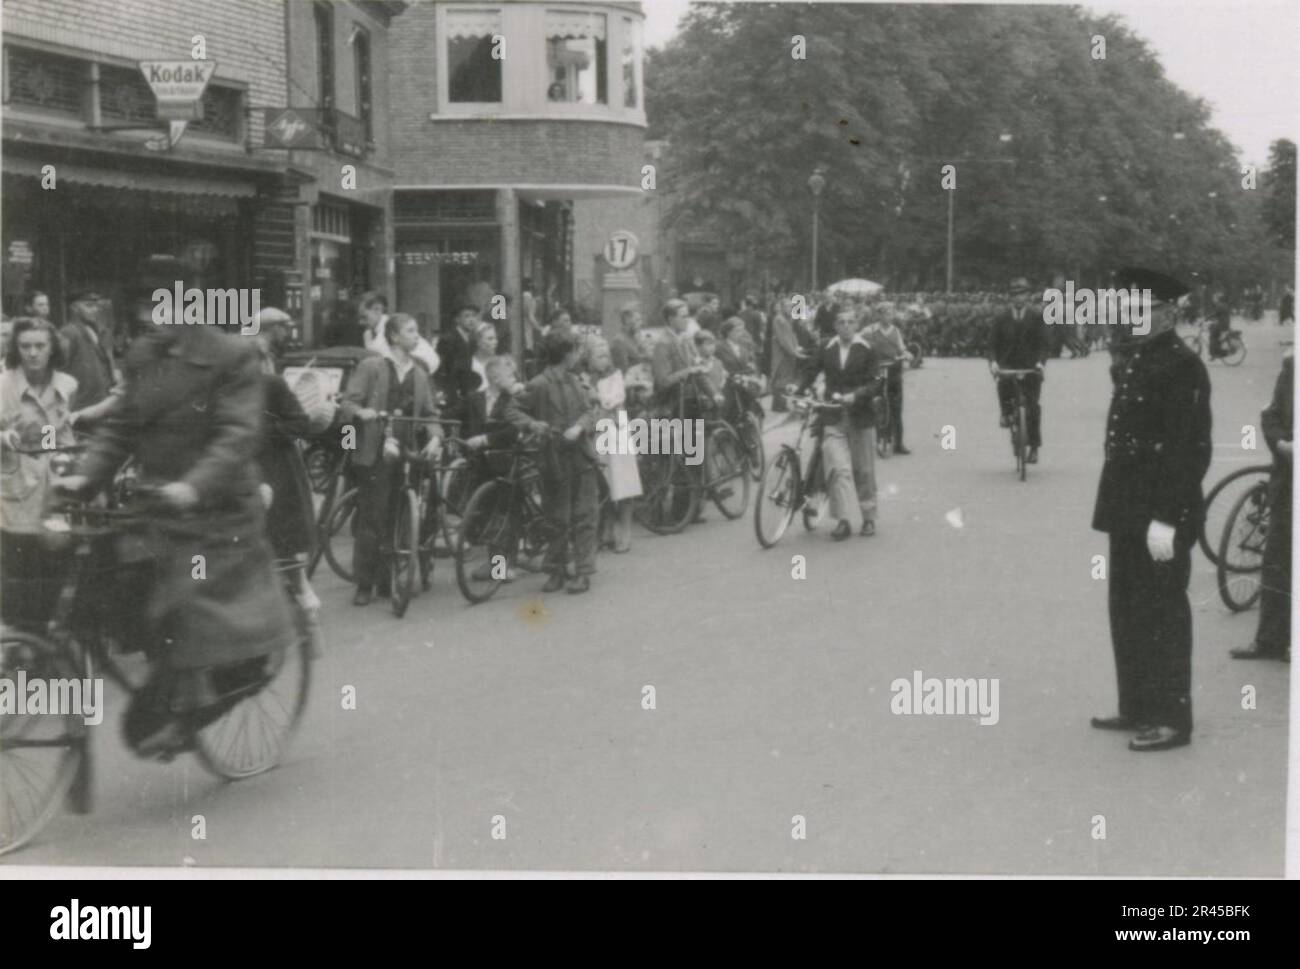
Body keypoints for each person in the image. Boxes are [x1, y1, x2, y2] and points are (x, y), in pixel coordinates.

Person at [57, 304, 297, 758]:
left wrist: (193, 486)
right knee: (124, 590)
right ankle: (166, 690)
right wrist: (85, 477)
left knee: (193, 605)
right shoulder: (146, 356)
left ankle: (200, 700)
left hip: (220, 510)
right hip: (160, 506)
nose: (153, 319)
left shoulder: (232, 356)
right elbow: (121, 428)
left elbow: (236, 436)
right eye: (148, 309)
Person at [1091, 268, 1212, 752]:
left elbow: (1189, 450)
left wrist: (1166, 517)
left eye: (1143, 311)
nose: (1133, 318)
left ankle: (1171, 719)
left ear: (1169, 314)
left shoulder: (1183, 366)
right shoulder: (1140, 358)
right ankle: (1137, 703)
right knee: (1126, 606)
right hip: (1125, 504)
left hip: (1160, 509)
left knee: (1162, 611)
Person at [338, 313, 442, 606]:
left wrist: (435, 436)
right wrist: (361, 413)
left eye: (417, 331)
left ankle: (388, 580)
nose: (416, 336)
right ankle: (364, 583)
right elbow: (348, 402)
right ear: (394, 336)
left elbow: (431, 414)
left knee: (400, 516)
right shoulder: (371, 366)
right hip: (376, 452)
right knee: (373, 517)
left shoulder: (420, 373)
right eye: (411, 331)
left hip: (407, 451)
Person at [506, 331, 600, 594]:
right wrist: (533, 424)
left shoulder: (575, 381)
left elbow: (589, 412)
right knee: (556, 516)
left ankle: (583, 572)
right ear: (566, 354)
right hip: (554, 456)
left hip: (581, 454)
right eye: (575, 352)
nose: (577, 356)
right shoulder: (539, 384)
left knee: (585, 515)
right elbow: (512, 409)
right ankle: (556, 570)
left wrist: (580, 427)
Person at [0, 317, 79, 628]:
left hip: (55, 490)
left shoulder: (66, 385)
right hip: (15, 491)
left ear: (52, 349)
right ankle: (21, 642)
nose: (32, 353)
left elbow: (61, 434)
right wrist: (3, 438)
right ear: (16, 349)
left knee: (55, 568)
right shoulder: (2, 386)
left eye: (40, 346)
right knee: (20, 574)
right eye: (25, 346)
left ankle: (45, 645)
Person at [794, 307, 883, 539]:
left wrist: (857, 395)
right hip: (832, 416)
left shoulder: (867, 348)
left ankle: (868, 517)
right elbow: (811, 370)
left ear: (856, 325)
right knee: (837, 470)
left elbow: (875, 383)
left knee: (863, 470)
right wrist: (799, 388)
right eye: (841, 322)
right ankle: (842, 520)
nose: (845, 326)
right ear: (835, 325)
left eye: (850, 321)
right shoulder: (826, 347)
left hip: (860, 416)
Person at [1231, 355, 1292, 663]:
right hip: (1288, 481)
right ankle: (1270, 640)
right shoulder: (1292, 368)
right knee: (1277, 560)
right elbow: (1271, 415)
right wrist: (1281, 443)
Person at [587, 338, 641, 553]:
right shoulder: (586, 378)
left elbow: (613, 400)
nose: (604, 360)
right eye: (599, 356)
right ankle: (607, 529)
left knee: (623, 483)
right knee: (603, 485)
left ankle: (625, 529)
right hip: (596, 434)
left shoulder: (616, 377)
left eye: (606, 355)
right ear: (589, 359)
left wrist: (596, 397)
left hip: (616, 432)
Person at [990, 277, 1046, 464]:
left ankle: (1035, 447)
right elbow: (992, 344)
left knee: (1033, 408)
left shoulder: (1037, 316)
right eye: (1014, 295)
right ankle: (1005, 413)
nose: (1018, 298)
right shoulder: (1001, 317)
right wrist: (993, 362)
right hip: (1008, 364)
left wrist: (1040, 362)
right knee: (1003, 385)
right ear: (1010, 297)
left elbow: (1043, 344)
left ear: (1028, 296)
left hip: (1031, 366)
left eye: (1022, 294)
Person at [59, 287, 121, 431]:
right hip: (80, 407)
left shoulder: (95, 331)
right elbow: (57, 368)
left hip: (97, 407)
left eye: (96, 306)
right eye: (88, 306)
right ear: (74, 308)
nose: (94, 310)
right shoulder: (69, 333)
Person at [863, 308, 913, 454]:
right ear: (878, 315)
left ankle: (898, 443)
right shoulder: (870, 330)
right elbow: (859, 343)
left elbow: (901, 348)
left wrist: (906, 354)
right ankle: (878, 438)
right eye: (885, 313)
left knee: (897, 406)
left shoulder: (895, 331)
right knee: (877, 404)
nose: (888, 316)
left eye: (890, 313)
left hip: (893, 369)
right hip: (877, 371)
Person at [358, 291, 438, 373]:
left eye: (364, 317)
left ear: (378, 309)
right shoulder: (367, 335)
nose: (360, 323)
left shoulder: (391, 326)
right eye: (359, 318)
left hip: (421, 366)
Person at [436, 303, 490, 423]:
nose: (471, 320)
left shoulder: (474, 339)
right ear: (457, 319)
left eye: (474, 316)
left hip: (471, 389)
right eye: (466, 316)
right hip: (454, 390)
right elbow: (443, 369)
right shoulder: (447, 339)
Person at [651, 298, 706, 408]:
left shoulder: (686, 338)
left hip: (691, 399)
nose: (688, 320)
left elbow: (697, 363)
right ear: (671, 319)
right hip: (672, 404)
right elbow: (663, 381)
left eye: (688, 316)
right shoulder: (663, 344)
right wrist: (689, 371)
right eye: (683, 317)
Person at [768, 297, 800, 413]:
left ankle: (781, 404)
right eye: (787, 306)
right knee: (781, 378)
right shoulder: (779, 319)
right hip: (782, 353)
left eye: (791, 306)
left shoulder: (787, 319)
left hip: (787, 352)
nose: (790, 308)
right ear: (781, 308)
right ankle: (779, 405)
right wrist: (794, 351)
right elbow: (784, 339)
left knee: (785, 378)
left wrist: (795, 346)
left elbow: (791, 336)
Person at [609, 302, 648, 373]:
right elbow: (622, 372)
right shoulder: (619, 341)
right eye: (637, 320)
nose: (641, 323)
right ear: (627, 320)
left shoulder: (635, 339)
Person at [469, 320, 499, 392]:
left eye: (495, 338)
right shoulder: (470, 366)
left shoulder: (499, 362)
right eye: (490, 339)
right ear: (478, 342)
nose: (495, 342)